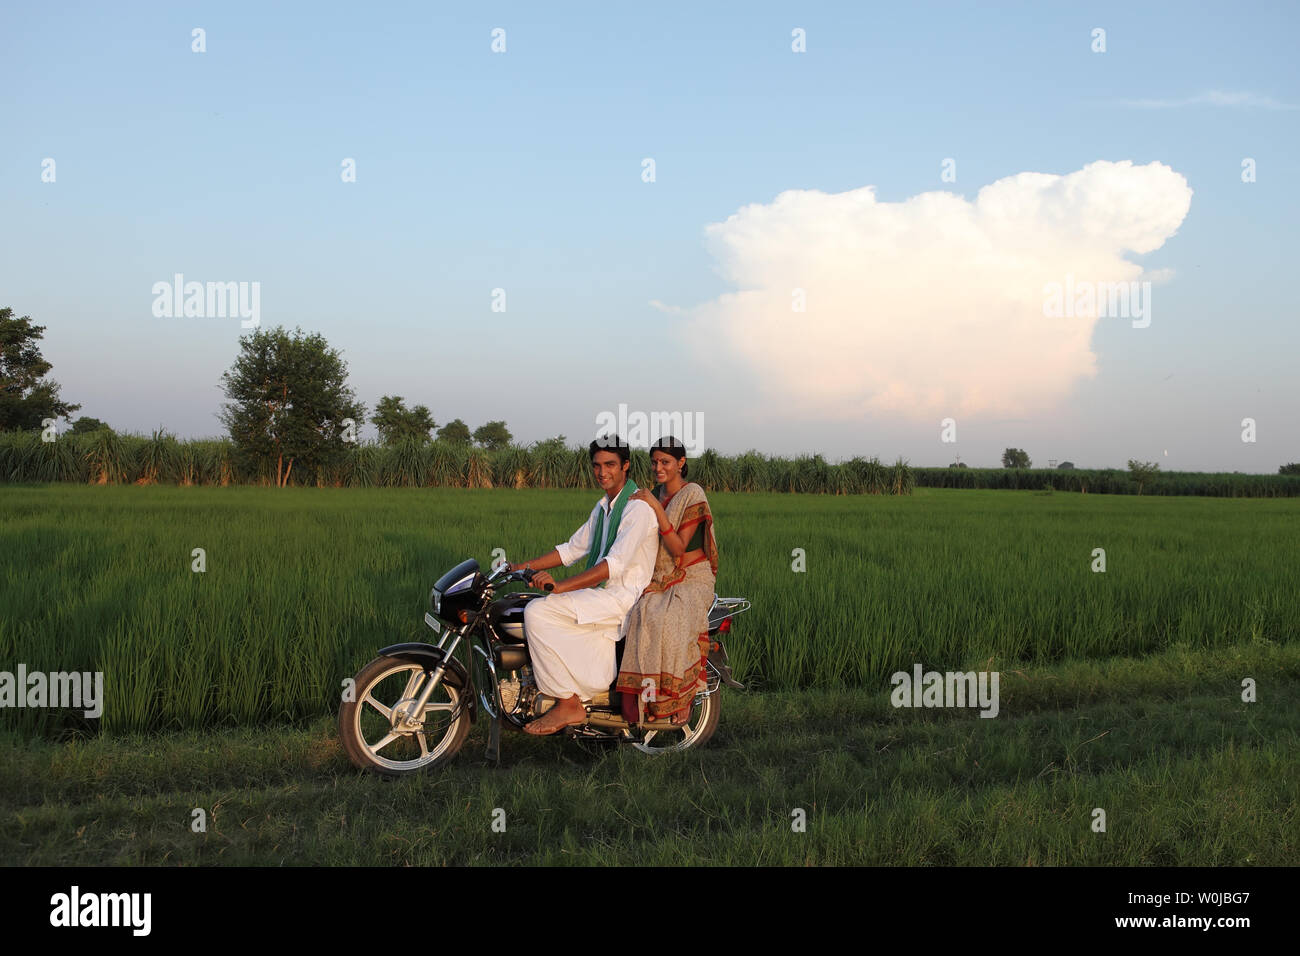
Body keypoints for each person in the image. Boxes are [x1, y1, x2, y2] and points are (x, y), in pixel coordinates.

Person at [509, 434, 658, 736]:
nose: (602, 472)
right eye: (597, 465)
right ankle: (581, 696)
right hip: (602, 594)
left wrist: (561, 587)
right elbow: (571, 550)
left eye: (610, 465)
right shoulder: (604, 507)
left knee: (538, 612)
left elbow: (613, 565)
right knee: (528, 607)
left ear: (626, 466)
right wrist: (519, 567)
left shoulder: (637, 509)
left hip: (621, 597)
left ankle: (568, 701)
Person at [615, 435, 719, 726]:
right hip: (659, 576)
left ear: (681, 463)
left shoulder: (692, 493)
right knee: (638, 614)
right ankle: (643, 700)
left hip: (692, 576)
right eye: (654, 462)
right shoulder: (652, 494)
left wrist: (655, 507)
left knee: (668, 621)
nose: (658, 467)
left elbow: (677, 549)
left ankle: (680, 698)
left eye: (665, 462)